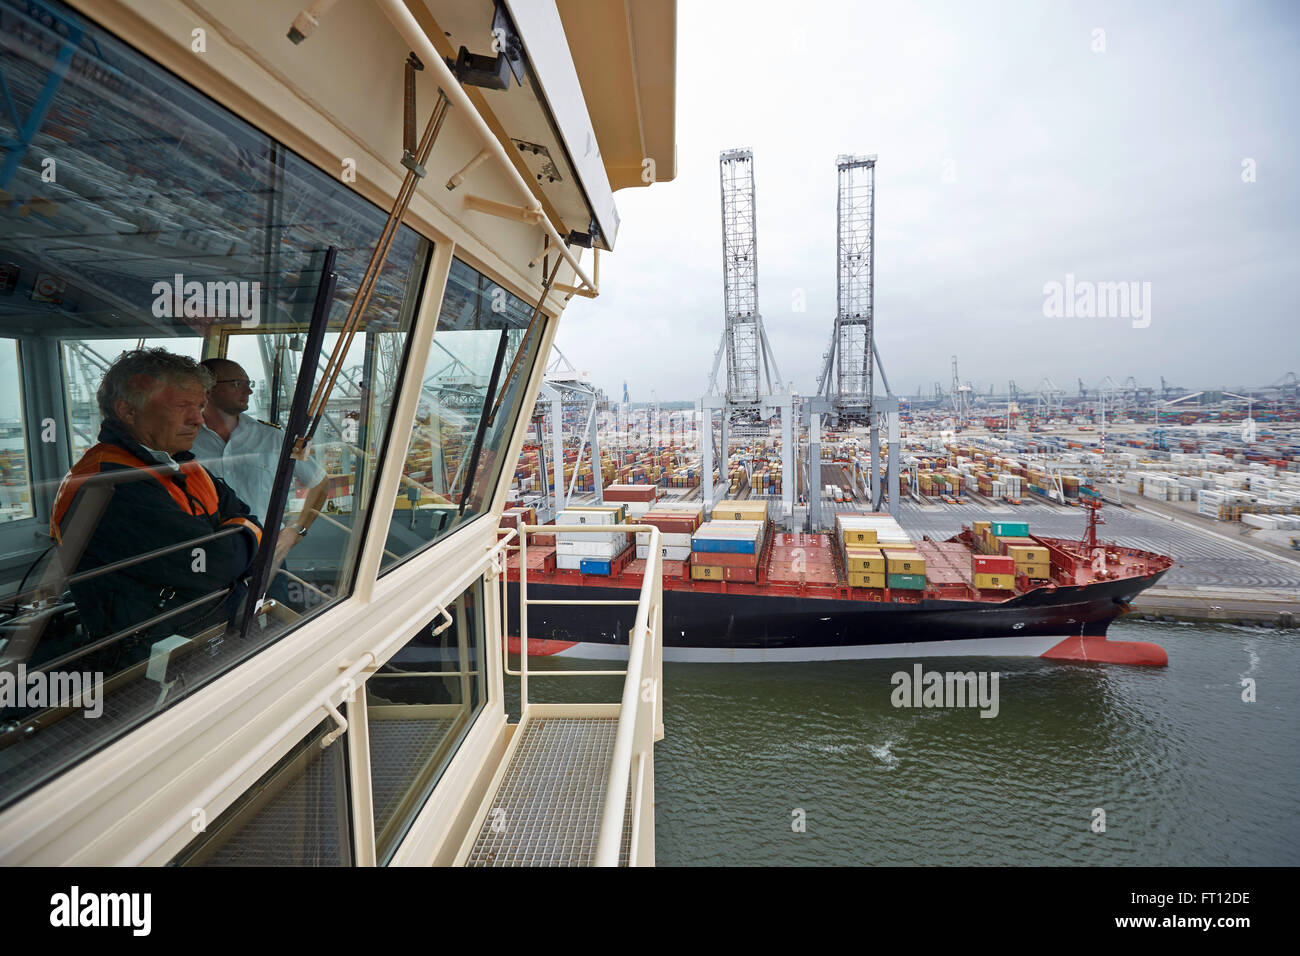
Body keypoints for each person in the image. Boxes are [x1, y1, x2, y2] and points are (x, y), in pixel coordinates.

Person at [50, 349, 263, 663]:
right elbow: (210, 565)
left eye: (200, 406)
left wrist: (239, 536)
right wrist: (244, 534)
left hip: (205, 639)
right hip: (147, 664)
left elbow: (248, 525)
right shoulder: (106, 483)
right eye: (182, 406)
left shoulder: (185, 467)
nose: (197, 418)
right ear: (128, 410)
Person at [191, 358, 329, 577]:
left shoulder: (273, 438)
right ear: (207, 389)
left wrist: (296, 531)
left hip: (264, 554)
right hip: (204, 555)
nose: (248, 391)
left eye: (248, 383)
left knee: (269, 609)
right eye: (237, 383)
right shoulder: (184, 440)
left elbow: (319, 482)